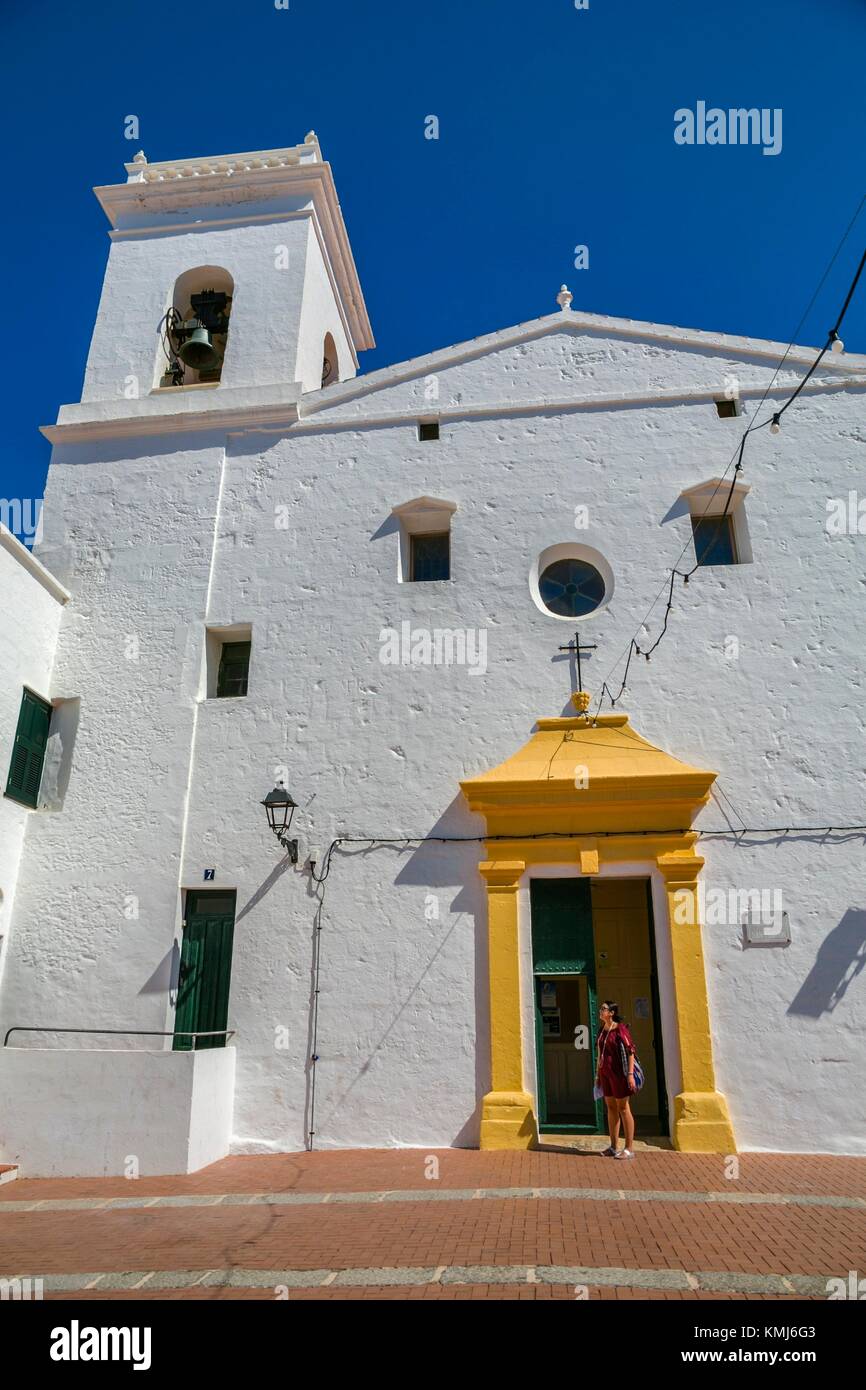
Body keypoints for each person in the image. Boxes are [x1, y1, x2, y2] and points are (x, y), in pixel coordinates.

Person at [594, 1000, 637, 1159]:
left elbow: (631, 1050)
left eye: (604, 1009)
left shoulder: (620, 1029)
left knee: (624, 1108)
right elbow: (600, 1053)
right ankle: (613, 1146)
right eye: (601, 1009)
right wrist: (598, 1075)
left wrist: (630, 1074)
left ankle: (629, 1148)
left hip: (619, 1074)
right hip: (605, 1074)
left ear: (612, 1013)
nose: (600, 1011)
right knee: (611, 1107)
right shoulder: (602, 1030)